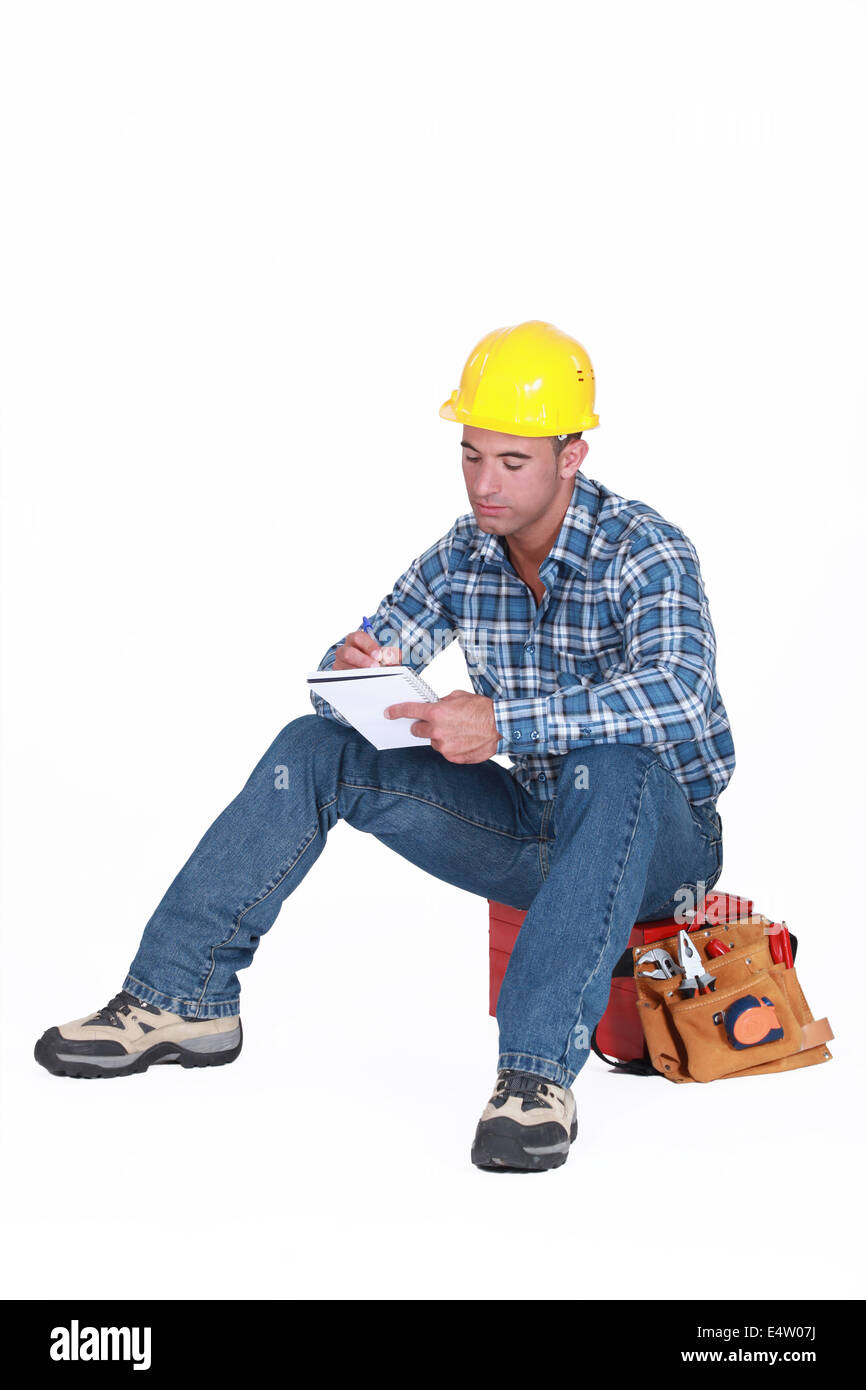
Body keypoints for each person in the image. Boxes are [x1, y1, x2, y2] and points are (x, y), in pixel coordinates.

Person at [34, 320, 735, 1173]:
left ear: (572, 456)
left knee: (613, 759)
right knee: (313, 746)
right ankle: (183, 996)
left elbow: (681, 692)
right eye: (472, 455)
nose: (485, 482)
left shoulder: (644, 548)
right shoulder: (461, 554)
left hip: (665, 838)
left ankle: (534, 1079)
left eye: (512, 462)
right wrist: (355, 669)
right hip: (532, 827)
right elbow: (363, 659)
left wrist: (504, 724)